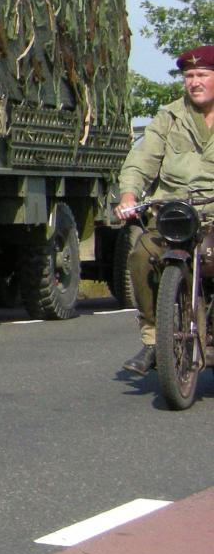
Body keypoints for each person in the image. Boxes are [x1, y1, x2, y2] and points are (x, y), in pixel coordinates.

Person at [114, 44, 214, 374]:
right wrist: (129, 195)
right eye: (189, 76)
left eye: (202, 75)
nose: (194, 82)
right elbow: (142, 160)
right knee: (142, 253)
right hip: (176, 214)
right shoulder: (169, 118)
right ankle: (153, 341)